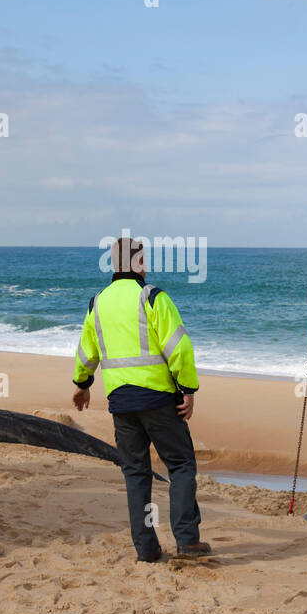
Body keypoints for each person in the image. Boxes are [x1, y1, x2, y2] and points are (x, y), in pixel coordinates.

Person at [71, 237, 211, 563]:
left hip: (120, 403)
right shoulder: (152, 296)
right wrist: (188, 389)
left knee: (136, 475)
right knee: (181, 465)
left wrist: (83, 383)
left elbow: (86, 351)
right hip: (159, 399)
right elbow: (179, 347)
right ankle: (187, 541)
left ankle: (147, 550)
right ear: (138, 263)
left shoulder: (98, 303)